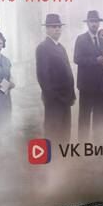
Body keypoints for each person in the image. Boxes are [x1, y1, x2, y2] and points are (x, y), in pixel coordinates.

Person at [35, 13, 74, 144]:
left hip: (66, 98)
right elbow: (43, 77)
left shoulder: (61, 47)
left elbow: (68, 72)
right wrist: (54, 97)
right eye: (53, 26)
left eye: (59, 26)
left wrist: (71, 94)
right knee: (53, 131)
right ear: (47, 29)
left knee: (65, 132)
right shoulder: (43, 48)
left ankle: (63, 162)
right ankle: (51, 162)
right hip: (54, 100)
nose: (57, 29)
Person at [73, 9, 103, 142]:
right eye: (92, 22)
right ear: (87, 23)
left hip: (101, 87)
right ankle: (82, 146)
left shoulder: (101, 40)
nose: (94, 24)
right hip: (87, 87)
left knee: (98, 118)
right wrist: (95, 61)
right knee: (84, 117)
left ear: (99, 23)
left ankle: (97, 145)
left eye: (96, 22)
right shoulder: (81, 39)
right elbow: (77, 59)